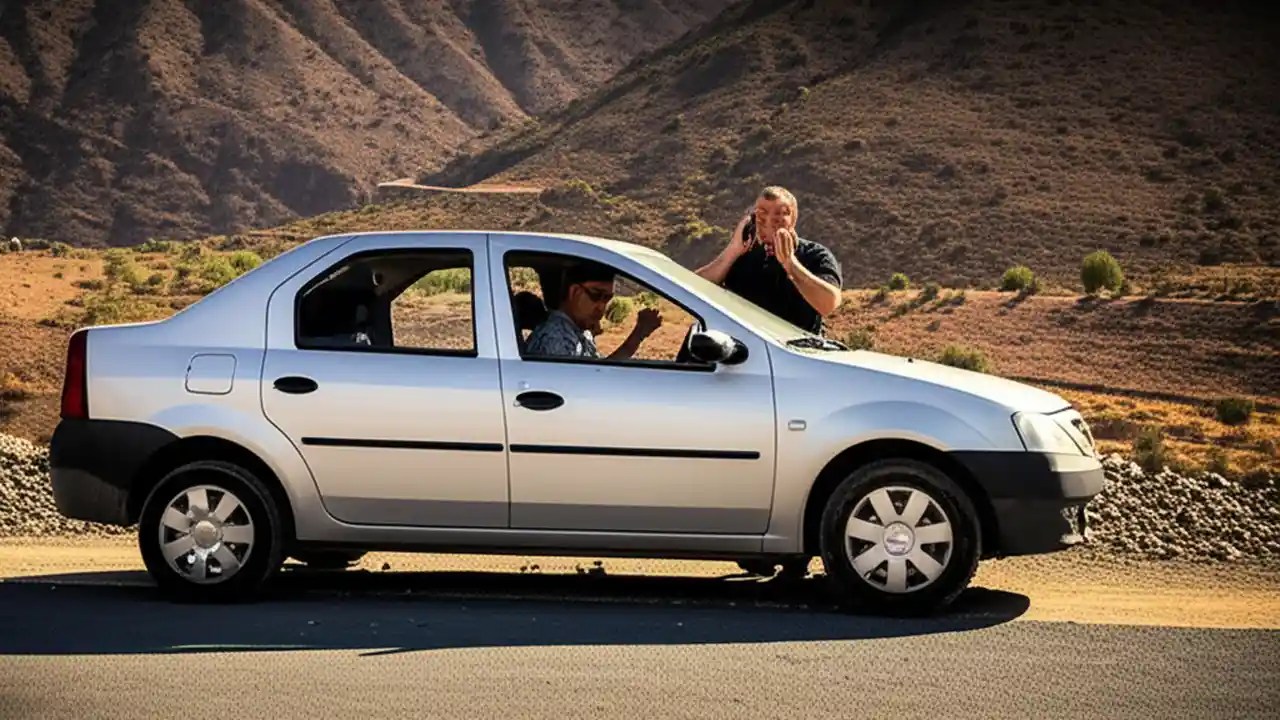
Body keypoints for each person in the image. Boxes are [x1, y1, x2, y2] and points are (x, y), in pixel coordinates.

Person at [696, 186, 842, 334]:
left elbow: (829, 303)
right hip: (745, 349)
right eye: (762, 218)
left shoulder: (814, 255)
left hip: (792, 351)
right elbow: (694, 290)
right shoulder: (742, 254)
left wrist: (791, 265)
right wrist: (732, 250)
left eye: (778, 219)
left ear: (792, 220)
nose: (769, 227)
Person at [525, 260, 663, 359]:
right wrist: (638, 334)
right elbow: (588, 387)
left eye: (607, 298)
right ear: (575, 292)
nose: (602, 306)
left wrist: (639, 333)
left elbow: (601, 371)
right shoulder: (555, 338)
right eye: (597, 295)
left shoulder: (579, 332)